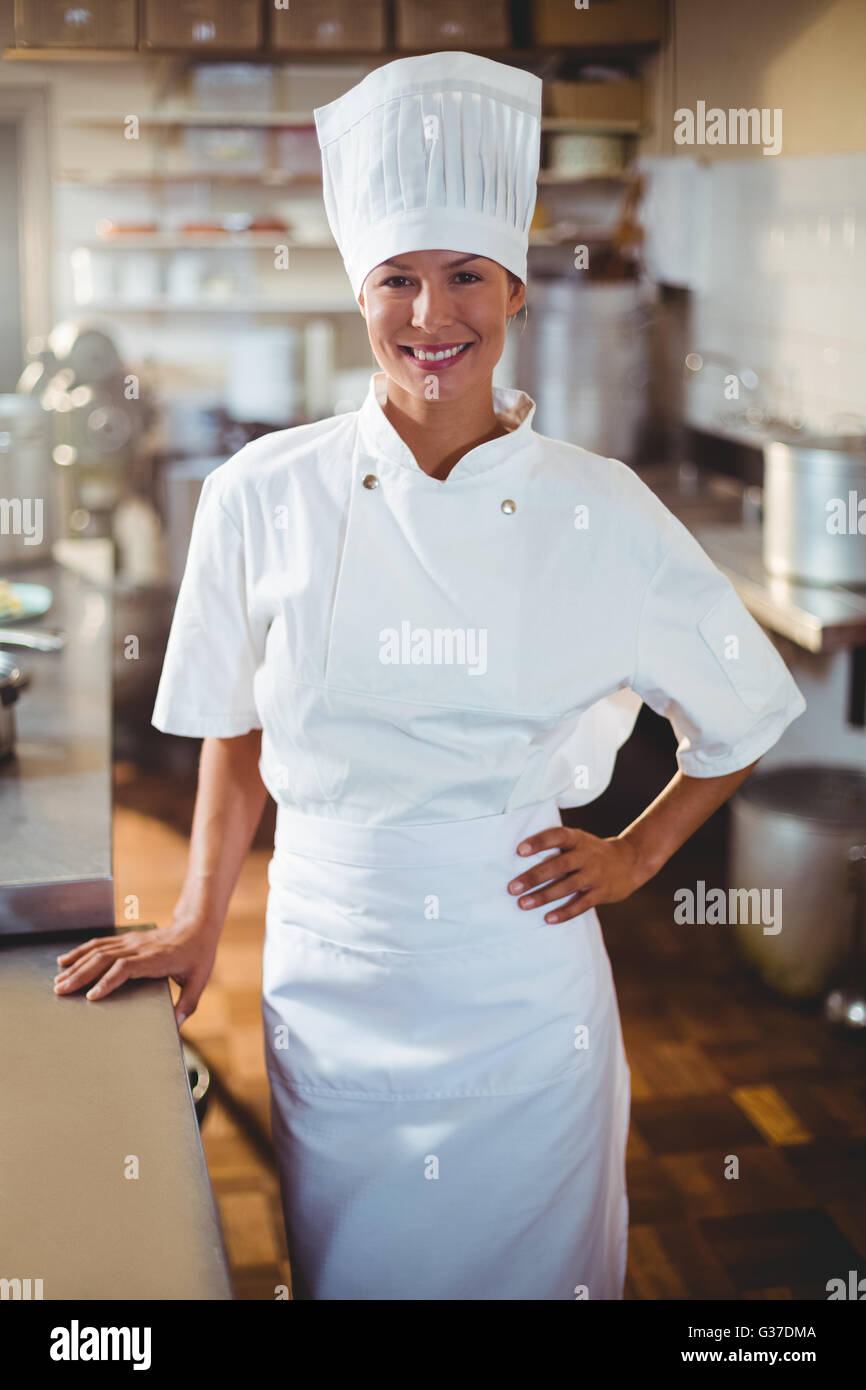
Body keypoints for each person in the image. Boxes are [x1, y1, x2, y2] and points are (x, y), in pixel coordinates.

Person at [53, 52, 806, 1301]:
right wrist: (194, 918)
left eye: (464, 275)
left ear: (511, 290)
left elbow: (735, 716)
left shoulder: (597, 508)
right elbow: (231, 730)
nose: (429, 314)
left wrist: (631, 852)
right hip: (331, 959)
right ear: (359, 294)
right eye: (396, 278)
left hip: (520, 980)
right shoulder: (260, 494)